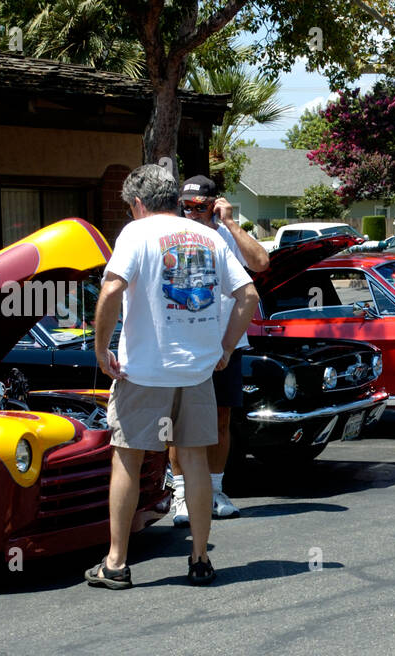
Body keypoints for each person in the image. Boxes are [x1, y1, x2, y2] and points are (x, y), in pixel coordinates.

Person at [84, 164, 257, 588]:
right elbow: (248, 294)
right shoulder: (209, 236)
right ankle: (199, 560)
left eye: (130, 207)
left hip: (143, 370)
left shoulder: (136, 233)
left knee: (128, 458)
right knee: (194, 459)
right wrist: (225, 347)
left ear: (139, 203)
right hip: (196, 372)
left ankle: (117, 564)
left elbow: (110, 289)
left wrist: (101, 348)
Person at [169, 175, 270, 525]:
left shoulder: (226, 233)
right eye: (187, 206)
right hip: (185, 341)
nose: (192, 213)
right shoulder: (174, 234)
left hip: (228, 340)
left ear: (216, 204)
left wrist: (229, 222)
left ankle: (214, 490)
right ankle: (181, 495)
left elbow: (261, 263)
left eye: (200, 207)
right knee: (179, 419)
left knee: (221, 419)